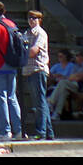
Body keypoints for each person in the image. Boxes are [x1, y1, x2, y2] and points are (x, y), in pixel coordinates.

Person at [0, 2, 23, 142]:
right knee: (12, 97)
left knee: (1, 98)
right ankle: (19, 130)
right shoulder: (12, 24)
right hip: (11, 64)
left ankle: (5, 131)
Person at [22, 10, 53, 140]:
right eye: (29, 18)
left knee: (40, 102)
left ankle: (42, 131)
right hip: (28, 70)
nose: (31, 20)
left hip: (38, 70)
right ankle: (48, 132)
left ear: (39, 20)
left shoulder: (40, 33)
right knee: (39, 102)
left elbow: (33, 51)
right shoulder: (26, 33)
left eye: (34, 18)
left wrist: (23, 51)